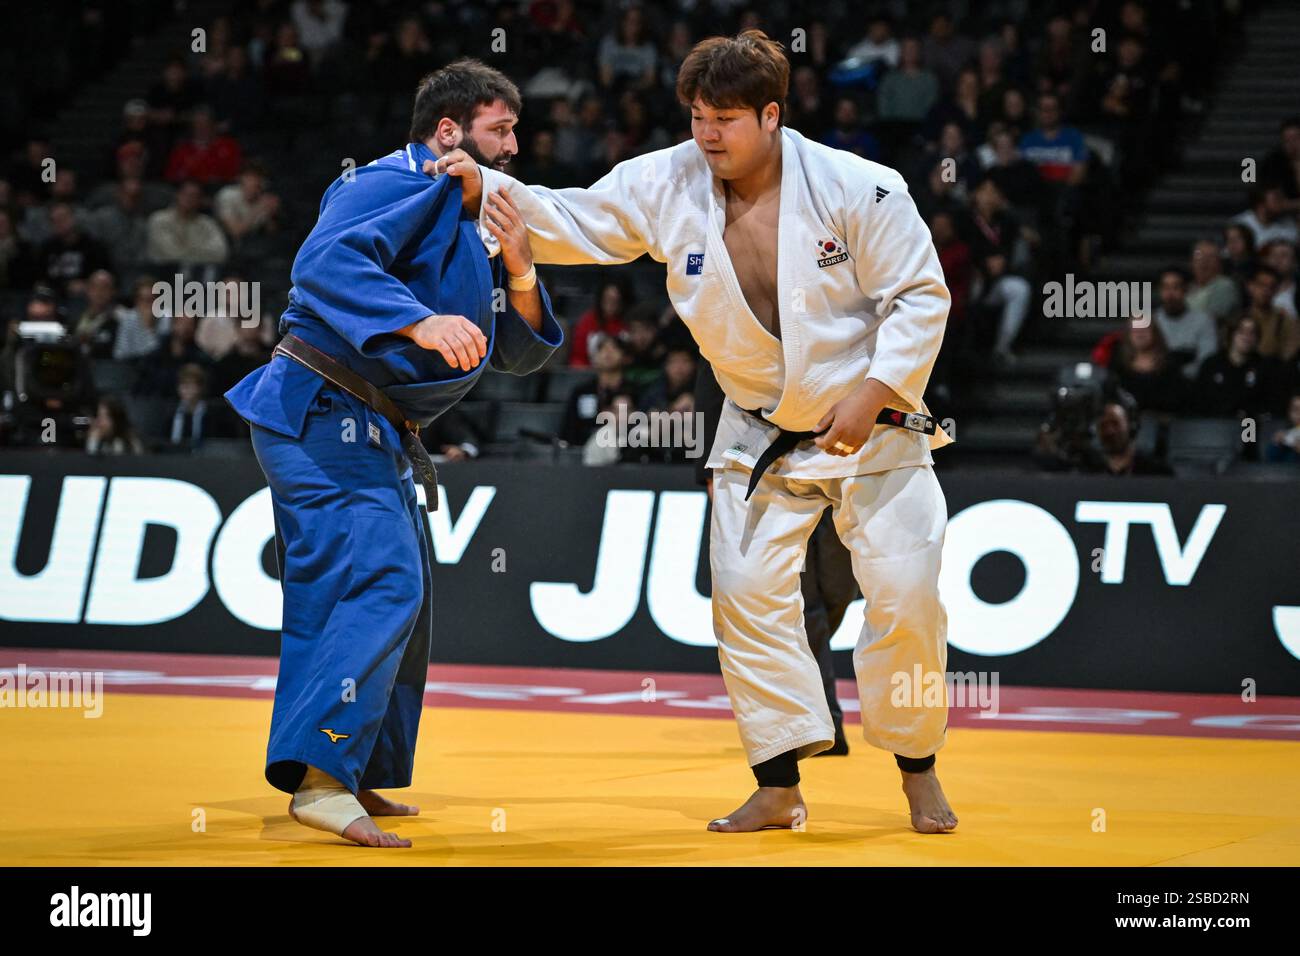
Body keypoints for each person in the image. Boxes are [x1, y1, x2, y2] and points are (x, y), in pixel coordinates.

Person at [452, 31, 956, 834]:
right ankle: (779, 784)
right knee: (746, 599)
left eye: (725, 118)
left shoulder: (861, 186)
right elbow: (577, 216)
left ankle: (918, 769)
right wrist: (482, 189)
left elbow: (922, 298)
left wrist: (874, 390)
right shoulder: (669, 182)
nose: (709, 135)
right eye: (696, 117)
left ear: (771, 115)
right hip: (757, 426)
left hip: (872, 421)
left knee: (907, 597)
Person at [223, 59, 562, 849]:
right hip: (321, 409)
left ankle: (355, 767)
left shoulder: (466, 212)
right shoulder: (390, 181)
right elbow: (324, 264)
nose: (513, 145)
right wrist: (415, 322)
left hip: (368, 427)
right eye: (498, 130)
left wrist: (519, 269)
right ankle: (320, 777)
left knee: (396, 599)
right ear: (449, 132)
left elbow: (510, 354)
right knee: (380, 580)